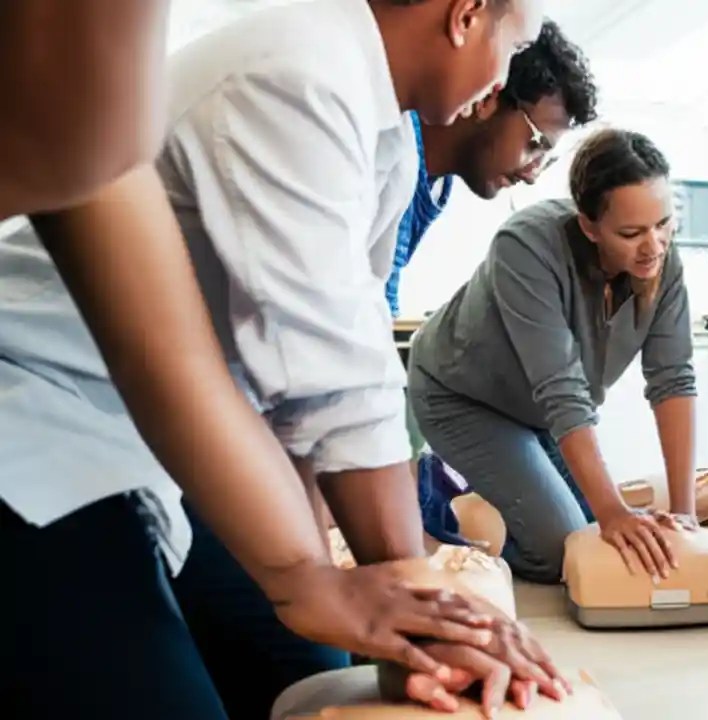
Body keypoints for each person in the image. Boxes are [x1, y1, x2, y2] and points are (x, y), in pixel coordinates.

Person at [0, 1, 569, 718]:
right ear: (466, 14)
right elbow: (331, 386)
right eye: (512, 47)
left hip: (163, 436)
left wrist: (330, 577)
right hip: (41, 419)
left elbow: (279, 378)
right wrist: (406, 593)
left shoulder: (384, 138)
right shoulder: (302, 74)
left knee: (304, 670)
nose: (502, 79)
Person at [409, 128, 700, 585]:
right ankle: (437, 498)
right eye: (631, 233)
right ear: (589, 226)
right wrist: (613, 512)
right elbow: (562, 390)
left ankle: (501, 493)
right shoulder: (525, 245)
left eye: (663, 224)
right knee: (561, 550)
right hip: (462, 398)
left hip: (537, 412)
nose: (654, 246)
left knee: (598, 540)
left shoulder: (662, 260)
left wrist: (686, 515)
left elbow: (673, 380)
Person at [385, 18, 598, 319]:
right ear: (490, 97)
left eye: (545, 159)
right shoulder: (390, 151)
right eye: (535, 144)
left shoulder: (436, 184)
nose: (532, 174)